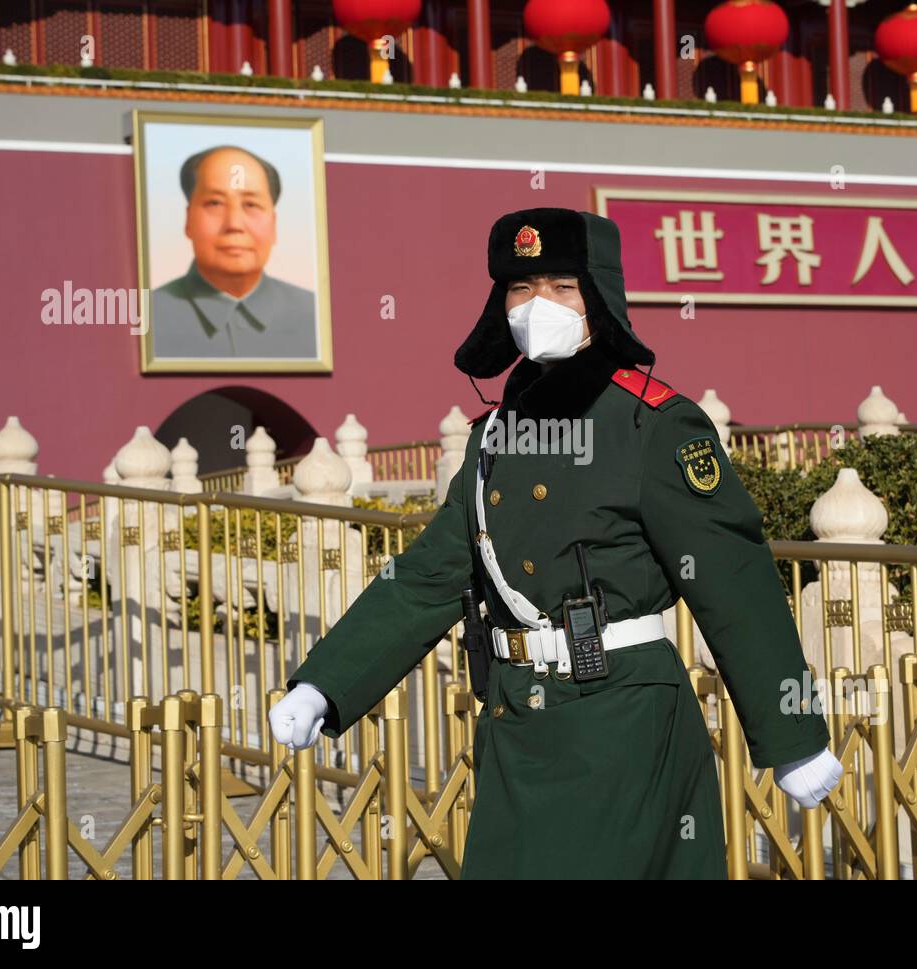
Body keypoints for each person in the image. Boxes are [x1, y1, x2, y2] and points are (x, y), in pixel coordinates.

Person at [269, 207, 842, 879]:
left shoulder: (651, 423)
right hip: (516, 723)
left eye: (562, 287)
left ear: (599, 296)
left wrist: (792, 736)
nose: (538, 305)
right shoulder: (494, 438)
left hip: (621, 721)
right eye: (520, 288)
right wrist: (325, 684)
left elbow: (733, 577)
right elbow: (430, 574)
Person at [149, 145, 318, 360]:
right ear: (188, 219)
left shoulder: (317, 317)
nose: (234, 224)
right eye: (215, 203)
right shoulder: (147, 318)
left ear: (274, 224)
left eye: (251, 205)